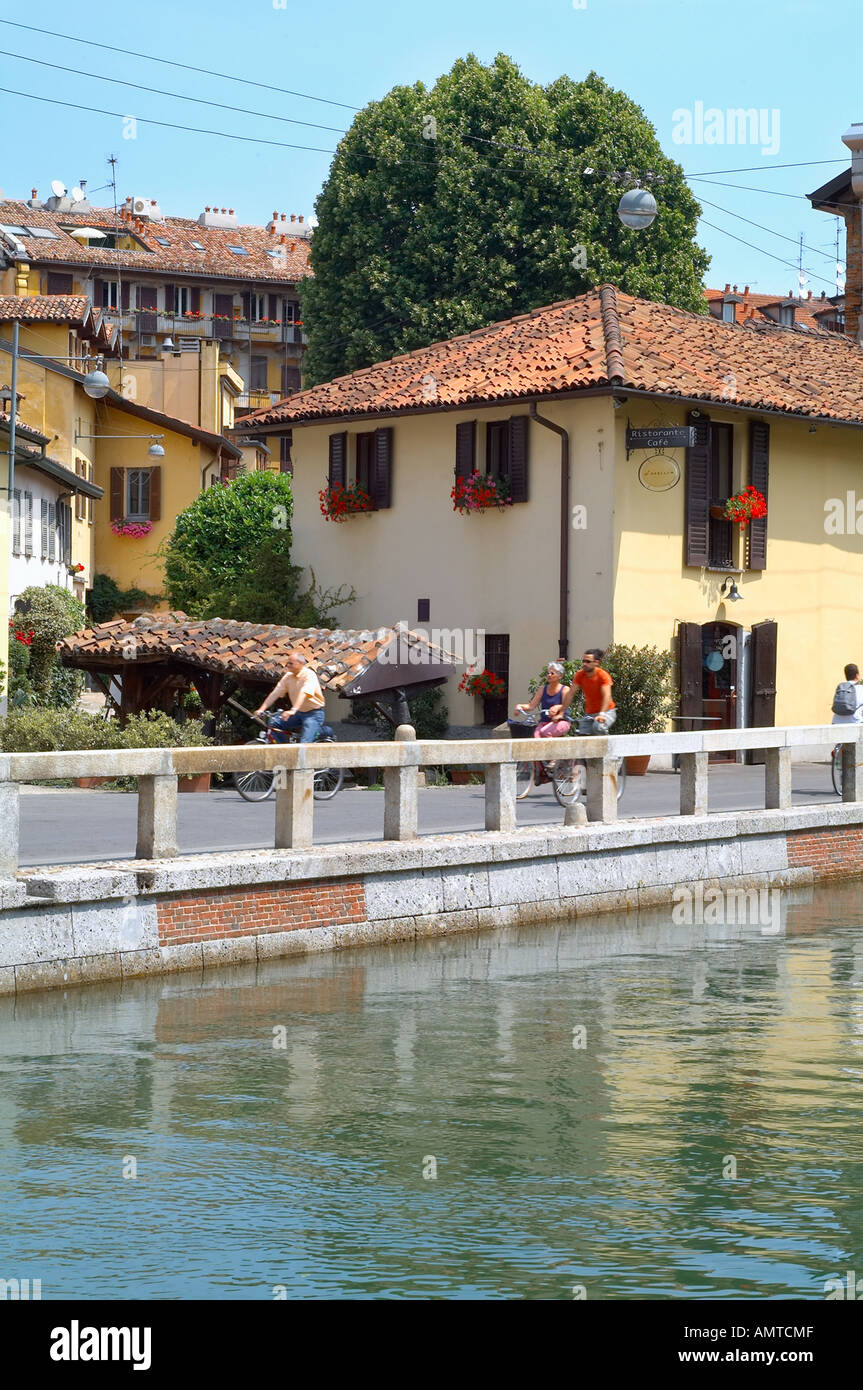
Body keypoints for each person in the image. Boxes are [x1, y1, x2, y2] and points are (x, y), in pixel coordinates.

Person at [254, 651, 326, 743]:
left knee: (304, 744)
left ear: (300, 663)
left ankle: (324, 731)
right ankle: (283, 748)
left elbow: (304, 694)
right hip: (298, 713)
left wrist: (293, 710)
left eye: (291, 663)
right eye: (287, 663)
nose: (287, 665)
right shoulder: (288, 676)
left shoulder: (309, 675)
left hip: (313, 714)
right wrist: (261, 709)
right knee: (274, 724)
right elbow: (275, 693)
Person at [553, 648, 617, 734]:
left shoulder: (603, 676)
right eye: (583, 661)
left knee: (598, 727)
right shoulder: (580, 675)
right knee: (582, 734)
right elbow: (570, 694)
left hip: (607, 712)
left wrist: (602, 714)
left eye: (588, 662)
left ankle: (607, 742)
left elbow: (607, 696)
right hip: (590, 714)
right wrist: (561, 713)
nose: (584, 664)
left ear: (596, 662)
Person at [513, 661, 572, 740]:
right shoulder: (542, 689)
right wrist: (519, 706)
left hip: (561, 722)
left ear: (560, 676)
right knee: (536, 736)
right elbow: (531, 706)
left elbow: (566, 705)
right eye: (548, 673)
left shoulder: (565, 689)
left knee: (545, 732)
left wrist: (557, 707)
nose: (549, 675)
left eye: (552, 673)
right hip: (544, 722)